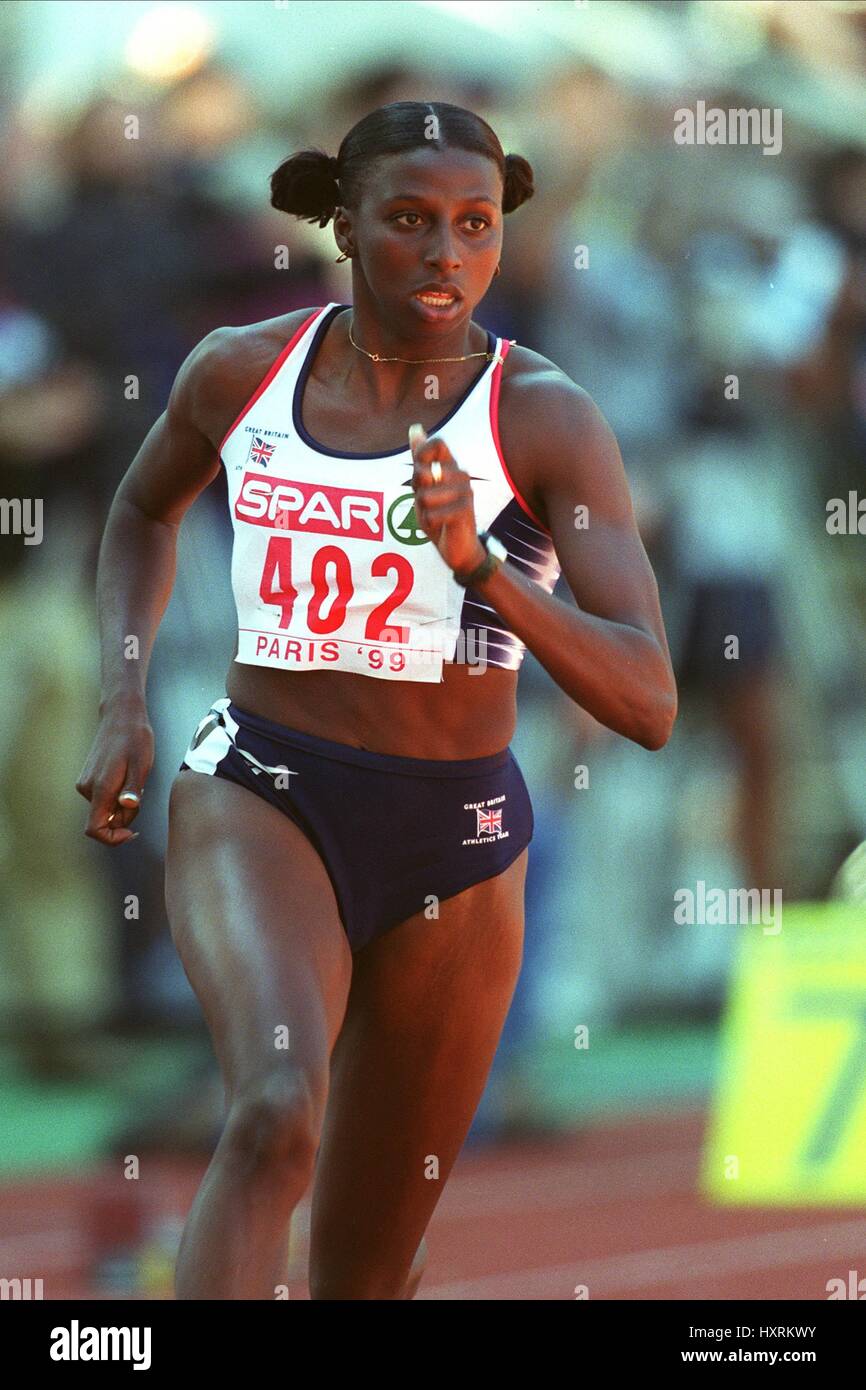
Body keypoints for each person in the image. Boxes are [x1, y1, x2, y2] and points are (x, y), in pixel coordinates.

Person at [75, 100, 677, 1301]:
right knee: (272, 1116)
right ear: (341, 227)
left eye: (474, 224)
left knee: (363, 1268)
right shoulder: (239, 370)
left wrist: (485, 570)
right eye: (408, 222)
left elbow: (646, 697)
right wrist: (123, 695)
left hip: (456, 841)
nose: (446, 253)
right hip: (262, 791)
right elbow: (142, 511)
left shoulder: (541, 415)